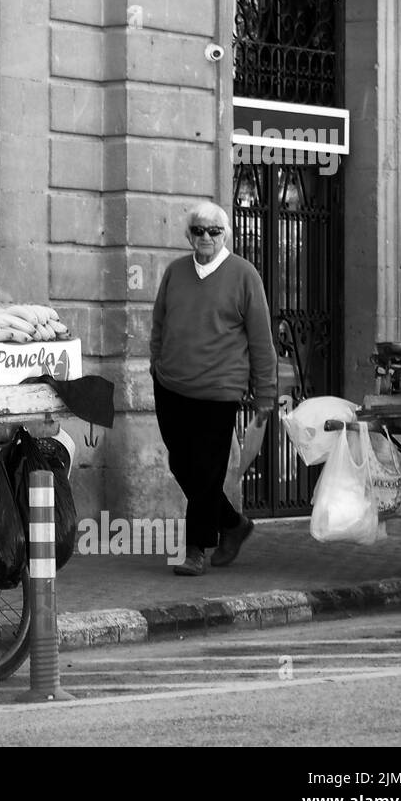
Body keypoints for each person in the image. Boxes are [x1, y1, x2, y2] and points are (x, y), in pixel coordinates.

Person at [149, 201, 277, 576]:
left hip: (220, 390)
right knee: (182, 463)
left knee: (206, 470)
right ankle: (234, 525)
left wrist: (265, 396)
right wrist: (156, 364)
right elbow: (159, 323)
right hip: (171, 385)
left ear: (225, 235)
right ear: (189, 235)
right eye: (199, 231)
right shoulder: (175, 272)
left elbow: (261, 341)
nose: (206, 237)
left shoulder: (244, 275)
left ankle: (196, 548)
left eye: (214, 231)